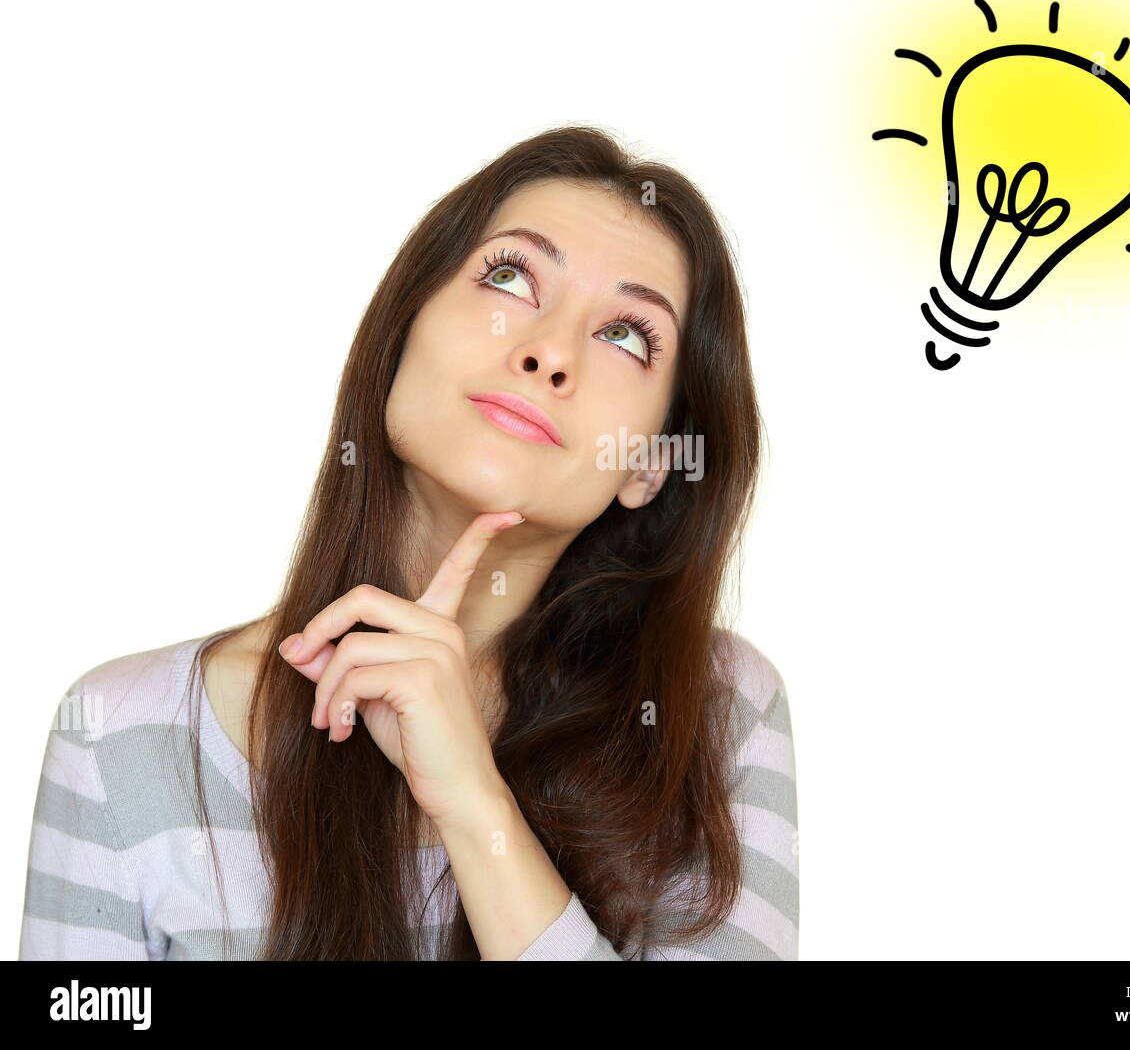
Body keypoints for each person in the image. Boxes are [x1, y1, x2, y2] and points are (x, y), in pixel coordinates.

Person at [19, 126, 797, 960]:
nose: (549, 353)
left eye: (626, 334)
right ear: (401, 332)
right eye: (509, 275)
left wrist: (473, 801)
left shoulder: (712, 715)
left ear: (647, 464)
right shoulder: (119, 737)